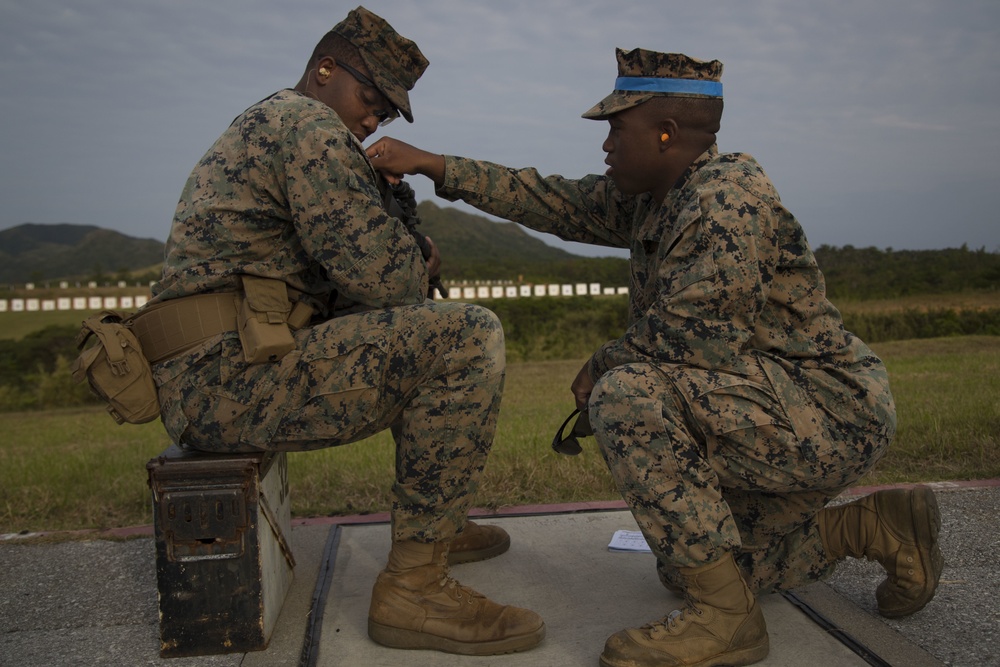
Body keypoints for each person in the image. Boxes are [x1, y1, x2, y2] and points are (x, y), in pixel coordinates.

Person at [366, 47, 943, 666]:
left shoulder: (726, 200)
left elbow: (700, 337)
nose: (607, 144)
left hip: (825, 412)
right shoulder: (656, 196)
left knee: (627, 393)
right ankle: (870, 529)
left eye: (617, 127)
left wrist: (601, 362)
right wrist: (433, 165)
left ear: (665, 134)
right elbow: (546, 199)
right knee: (693, 563)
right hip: (764, 405)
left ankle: (729, 624)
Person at [130, 6, 545, 657]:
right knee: (464, 336)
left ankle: (434, 524)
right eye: (369, 98)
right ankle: (414, 585)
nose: (371, 120)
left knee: (417, 332)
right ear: (325, 69)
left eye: (383, 111)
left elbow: (359, 288)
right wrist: (415, 246)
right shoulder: (308, 129)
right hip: (221, 382)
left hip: (217, 369)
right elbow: (392, 282)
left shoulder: (275, 120)